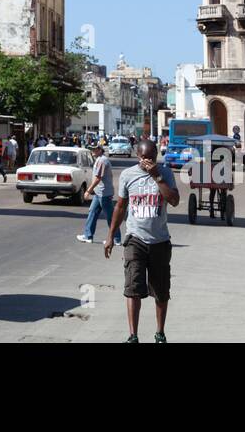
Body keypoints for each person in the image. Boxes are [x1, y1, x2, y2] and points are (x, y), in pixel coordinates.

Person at [104, 139, 179, 343]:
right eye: (145, 158)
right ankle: (133, 336)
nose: (148, 162)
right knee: (133, 289)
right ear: (138, 156)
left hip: (159, 241)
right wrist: (110, 236)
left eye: (152, 158)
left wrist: (157, 177)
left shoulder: (166, 173)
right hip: (135, 239)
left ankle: (160, 333)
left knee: (161, 292)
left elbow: (174, 200)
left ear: (156, 157)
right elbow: (120, 207)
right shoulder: (128, 175)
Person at [77, 142, 118, 245]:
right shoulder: (99, 160)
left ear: (100, 149)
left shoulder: (102, 161)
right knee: (92, 212)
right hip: (99, 193)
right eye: (91, 149)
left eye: (95, 149)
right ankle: (88, 236)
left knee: (110, 216)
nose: (93, 151)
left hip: (104, 193)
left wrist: (88, 190)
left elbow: (98, 178)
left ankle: (116, 239)